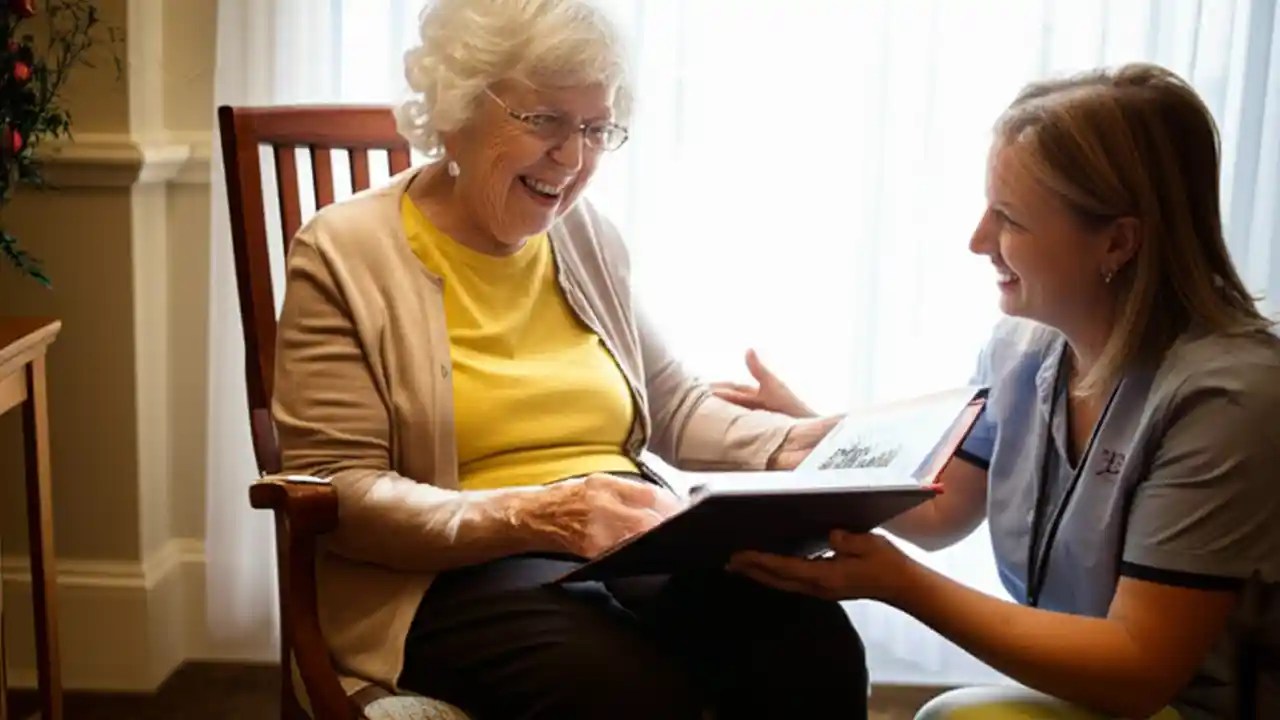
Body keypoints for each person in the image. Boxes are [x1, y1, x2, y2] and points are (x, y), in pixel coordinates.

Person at [271, 0, 868, 717]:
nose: (575, 158)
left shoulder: (586, 236)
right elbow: (346, 494)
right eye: (545, 120)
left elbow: (673, 407)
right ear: (457, 106)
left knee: (810, 641)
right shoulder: (343, 250)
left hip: (624, 540)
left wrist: (804, 446)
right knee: (619, 691)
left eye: (594, 128)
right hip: (448, 571)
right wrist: (534, 515)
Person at [716, 63, 1280, 720]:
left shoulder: (1230, 400)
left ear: (1118, 243)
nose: (978, 240)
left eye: (1008, 218)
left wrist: (901, 588)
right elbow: (938, 511)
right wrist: (806, 440)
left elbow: (1139, 667)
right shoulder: (1023, 351)